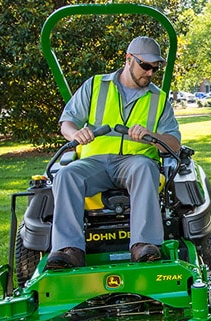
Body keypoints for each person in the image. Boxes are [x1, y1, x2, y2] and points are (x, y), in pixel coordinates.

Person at [45, 36, 182, 270]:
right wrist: (76, 134)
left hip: (134, 162)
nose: (150, 73)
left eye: (154, 69)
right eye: (145, 66)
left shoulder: (158, 99)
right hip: (94, 163)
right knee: (66, 175)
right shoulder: (96, 86)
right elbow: (67, 122)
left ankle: (144, 245)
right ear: (129, 59)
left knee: (144, 169)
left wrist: (152, 135)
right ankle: (70, 250)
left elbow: (174, 144)